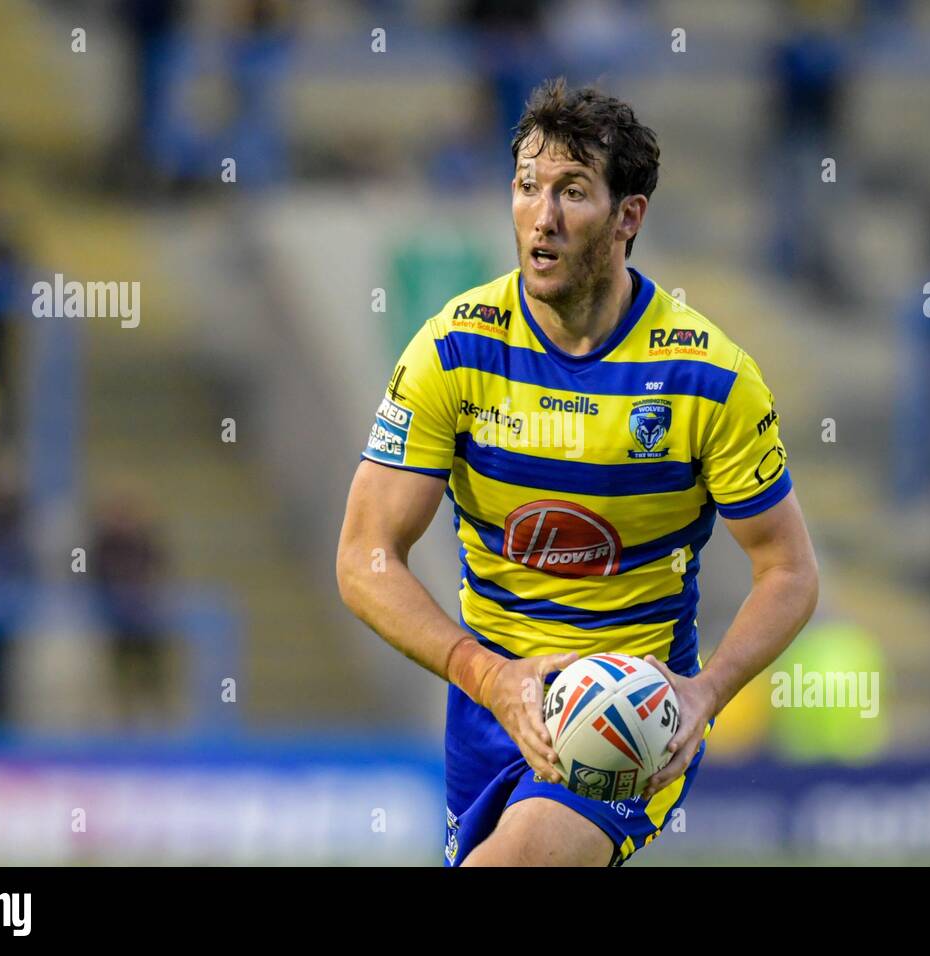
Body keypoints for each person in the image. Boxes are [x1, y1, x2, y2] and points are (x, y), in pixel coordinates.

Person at [337, 78, 819, 867]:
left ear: (628, 216)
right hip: (488, 708)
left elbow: (788, 570)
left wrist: (704, 694)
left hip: (627, 718)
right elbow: (363, 558)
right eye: (527, 188)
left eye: (572, 191)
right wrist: (487, 678)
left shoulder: (707, 377)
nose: (543, 216)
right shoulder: (453, 352)